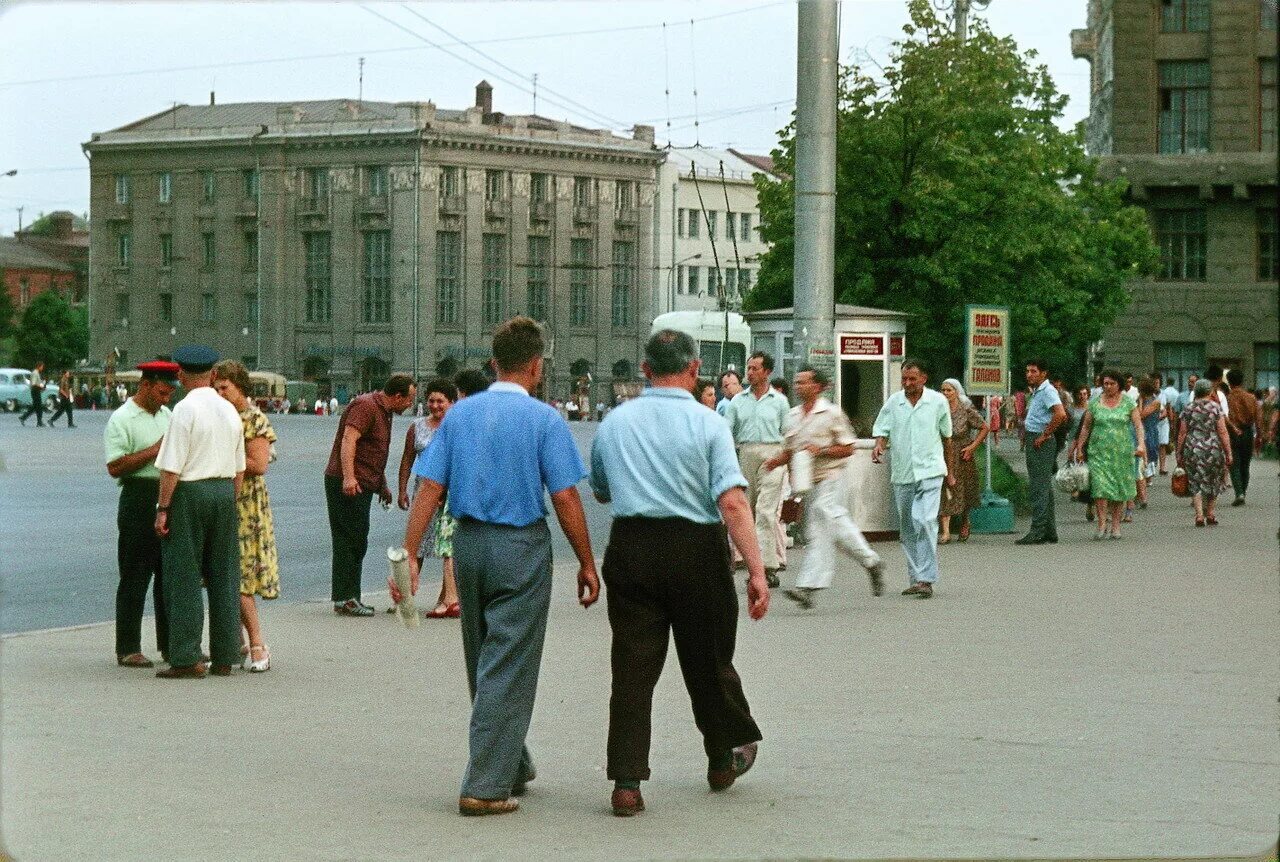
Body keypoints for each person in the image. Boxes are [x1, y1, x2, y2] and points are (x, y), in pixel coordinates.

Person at [398, 317, 599, 817]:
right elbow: (566, 496)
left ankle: (512, 761)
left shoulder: (459, 417)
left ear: (493, 364)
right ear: (537, 366)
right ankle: (485, 785)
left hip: (468, 544)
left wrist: (408, 558)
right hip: (521, 547)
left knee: (482, 652)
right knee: (510, 661)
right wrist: (587, 562)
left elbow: (429, 489)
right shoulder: (545, 420)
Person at [588, 329, 769, 817]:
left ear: (645, 370)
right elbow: (732, 502)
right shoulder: (709, 424)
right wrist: (757, 570)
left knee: (631, 668)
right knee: (708, 660)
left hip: (632, 548)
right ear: (693, 370)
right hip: (697, 552)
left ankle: (626, 782)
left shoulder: (614, 423)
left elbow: (601, 490)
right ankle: (721, 757)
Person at [152, 345, 245, 679]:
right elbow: (240, 469)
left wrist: (164, 508)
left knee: (184, 575)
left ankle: (187, 656)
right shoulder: (230, 411)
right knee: (225, 575)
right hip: (224, 491)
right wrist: (228, 502)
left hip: (190, 493)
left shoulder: (183, 411)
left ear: (180, 375)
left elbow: (171, 469)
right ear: (214, 375)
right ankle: (226, 655)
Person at [767, 365, 884, 609]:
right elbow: (789, 451)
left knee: (823, 512)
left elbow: (848, 447)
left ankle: (808, 588)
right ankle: (870, 561)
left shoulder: (831, 413)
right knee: (820, 530)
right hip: (806, 480)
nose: (799, 387)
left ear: (818, 387)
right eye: (797, 382)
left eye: (804, 382)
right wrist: (775, 462)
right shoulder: (793, 416)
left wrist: (820, 450)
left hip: (831, 475)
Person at [104, 360, 179, 668]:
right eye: (162, 392)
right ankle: (128, 647)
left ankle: (172, 644)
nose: (166, 399)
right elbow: (115, 466)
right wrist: (155, 450)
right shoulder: (121, 419)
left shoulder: (169, 416)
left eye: (170, 393)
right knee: (135, 573)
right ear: (145, 385)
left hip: (168, 494)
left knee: (169, 576)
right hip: (138, 495)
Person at [324, 373, 418, 617]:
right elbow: (349, 440)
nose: (411, 405)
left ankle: (349, 596)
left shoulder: (384, 411)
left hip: (362, 483)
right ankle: (345, 598)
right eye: (409, 400)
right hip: (347, 484)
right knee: (349, 540)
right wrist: (348, 477)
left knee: (357, 539)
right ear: (397, 396)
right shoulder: (366, 406)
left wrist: (382, 485)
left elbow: (372, 453)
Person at [212, 360, 280, 673]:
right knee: (222, 578)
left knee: (240, 580)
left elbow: (259, 463)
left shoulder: (253, 418)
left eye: (224, 387)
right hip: (222, 497)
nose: (218, 392)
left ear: (241, 388)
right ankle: (234, 642)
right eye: (215, 387)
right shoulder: (216, 415)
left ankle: (257, 643)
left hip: (247, 504)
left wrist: (220, 458)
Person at [871, 360, 953, 599]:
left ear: (924, 379)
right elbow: (882, 429)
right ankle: (916, 578)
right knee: (907, 529)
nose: (907, 384)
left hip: (931, 471)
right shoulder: (894, 402)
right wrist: (879, 446)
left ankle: (926, 579)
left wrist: (950, 472)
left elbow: (947, 437)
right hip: (903, 473)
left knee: (925, 520)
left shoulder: (938, 402)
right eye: (904, 379)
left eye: (912, 379)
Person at [724, 352, 790, 588]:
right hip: (746, 455)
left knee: (765, 512)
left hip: (772, 456)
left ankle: (768, 567)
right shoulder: (738, 401)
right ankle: (753, 566)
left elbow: (788, 434)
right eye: (748, 368)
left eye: (755, 369)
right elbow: (726, 433)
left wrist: (786, 461)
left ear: (767, 372)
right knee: (748, 513)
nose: (750, 373)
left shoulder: (780, 401)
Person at [396, 378, 460, 619]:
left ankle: (447, 597)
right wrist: (402, 490)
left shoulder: (455, 427)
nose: (435, 405)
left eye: (440, 401)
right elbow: (406, 460)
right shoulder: (417, 426)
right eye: (431, 401)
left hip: (449, 495)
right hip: (423, 490)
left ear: (451, 402)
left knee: (447, 547)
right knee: (417, 543)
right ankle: (404, 597)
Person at [1073, 370, 1145, 539]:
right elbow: (1086, 427)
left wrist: (1141, 444)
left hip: (1122, 452)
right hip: (1098, 452)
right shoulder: (1095, 403)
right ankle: (1101, 524)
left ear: (1119, 385)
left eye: (1111, 383)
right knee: (1100, 488)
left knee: (1119, 488)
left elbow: (1138, 425)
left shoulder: (1128, 403)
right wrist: (1080, 447)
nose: (1108, 387)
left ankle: (1116, 525)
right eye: (1105, 383)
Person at [1017, 359, 1067, 545]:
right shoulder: (1038, 392)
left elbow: (1060, 414)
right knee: (1044, 486)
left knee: (1039, 486)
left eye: (1034, 371)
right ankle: (1049, 531)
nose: (1029, 374)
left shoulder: (1048, 391)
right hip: (1035, 437)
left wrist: (1045, 434)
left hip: (1040, 440)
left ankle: (1037, 530)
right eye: (1028, 371)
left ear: (1043, 374)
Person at [937, 378, 988, 544]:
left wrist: (972, 447)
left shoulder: (965, 409)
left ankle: (965, 521)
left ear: (956, 392)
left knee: (964, 490)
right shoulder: (938, 408)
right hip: (943, 452)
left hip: (962, 453)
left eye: (949, 390)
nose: (945, 393)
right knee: (945, 489)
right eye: (943, 390)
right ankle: (945, 532)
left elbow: (984, 427)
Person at [1177, 379, 1232, 527]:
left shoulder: (1188, 408)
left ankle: (1199, 515)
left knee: (1195, 481)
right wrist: (1228, 452)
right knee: (1214, 479)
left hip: (1192, 447)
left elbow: (1182, 432)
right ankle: (1211, 513)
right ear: (1209, 392)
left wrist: (1178, 452)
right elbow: (1222, 431)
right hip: (1213, 447)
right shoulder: (1215, 408)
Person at [1224, 368, 1259, 506]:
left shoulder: (1228, 398)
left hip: (1232, 432)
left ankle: (1239, 493)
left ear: (1229, 382)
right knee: (1245, 465)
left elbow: (1224, 416)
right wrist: (1260, 434)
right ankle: (1243, 491)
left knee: (1235, 464)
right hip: (1248, 431)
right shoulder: (1251, 397)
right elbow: (1258, 418)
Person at [1158, 376, 1180, 474]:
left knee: (1163, 443)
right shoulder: (1176, 393)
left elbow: (1168, 407)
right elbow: (1172, 408)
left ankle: (1161, 467)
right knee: (1162, 443)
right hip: (1169, 418)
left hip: (1163, 420)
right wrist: (1172, 422)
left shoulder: (1165, 393)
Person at [18, 360, 46, 427]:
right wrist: (40, 386)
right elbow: (33, 384)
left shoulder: (36, 373)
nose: (42, 368)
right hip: (35, 391)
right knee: (39, 407)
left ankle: (23, 417)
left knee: (35, 407)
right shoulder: (35, 373)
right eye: (42, 367)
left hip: (36, 391)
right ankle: (39, 422)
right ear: (39, 366)